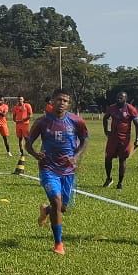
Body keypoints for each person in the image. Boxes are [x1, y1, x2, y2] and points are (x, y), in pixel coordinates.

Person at [26, 90, 88, 254]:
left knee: (62, 208)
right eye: (59, 99)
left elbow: (84, 140)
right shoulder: (42, 122)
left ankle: (45, 210)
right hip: (48, 168)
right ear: (52, 101)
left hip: (68, 170)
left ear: (69, 104)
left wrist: (76, 156)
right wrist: (34, 154)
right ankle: (58, 244)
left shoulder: (76, 121)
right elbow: (29, 143)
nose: (62, 102)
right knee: (57, 203)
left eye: (66, 100)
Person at [102, 91, 138, 188]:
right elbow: (105, 118)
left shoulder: (131, 109)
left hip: (124, 139)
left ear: (125, 99)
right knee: (108, 158)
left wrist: (137, 138)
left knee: (122, 160)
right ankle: (109, 178)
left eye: (121, 98)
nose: (118, 99)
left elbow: (137, 124)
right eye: (117, 97)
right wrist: (106, 131)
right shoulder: (112, 108)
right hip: (113, 139)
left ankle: (120, 183)